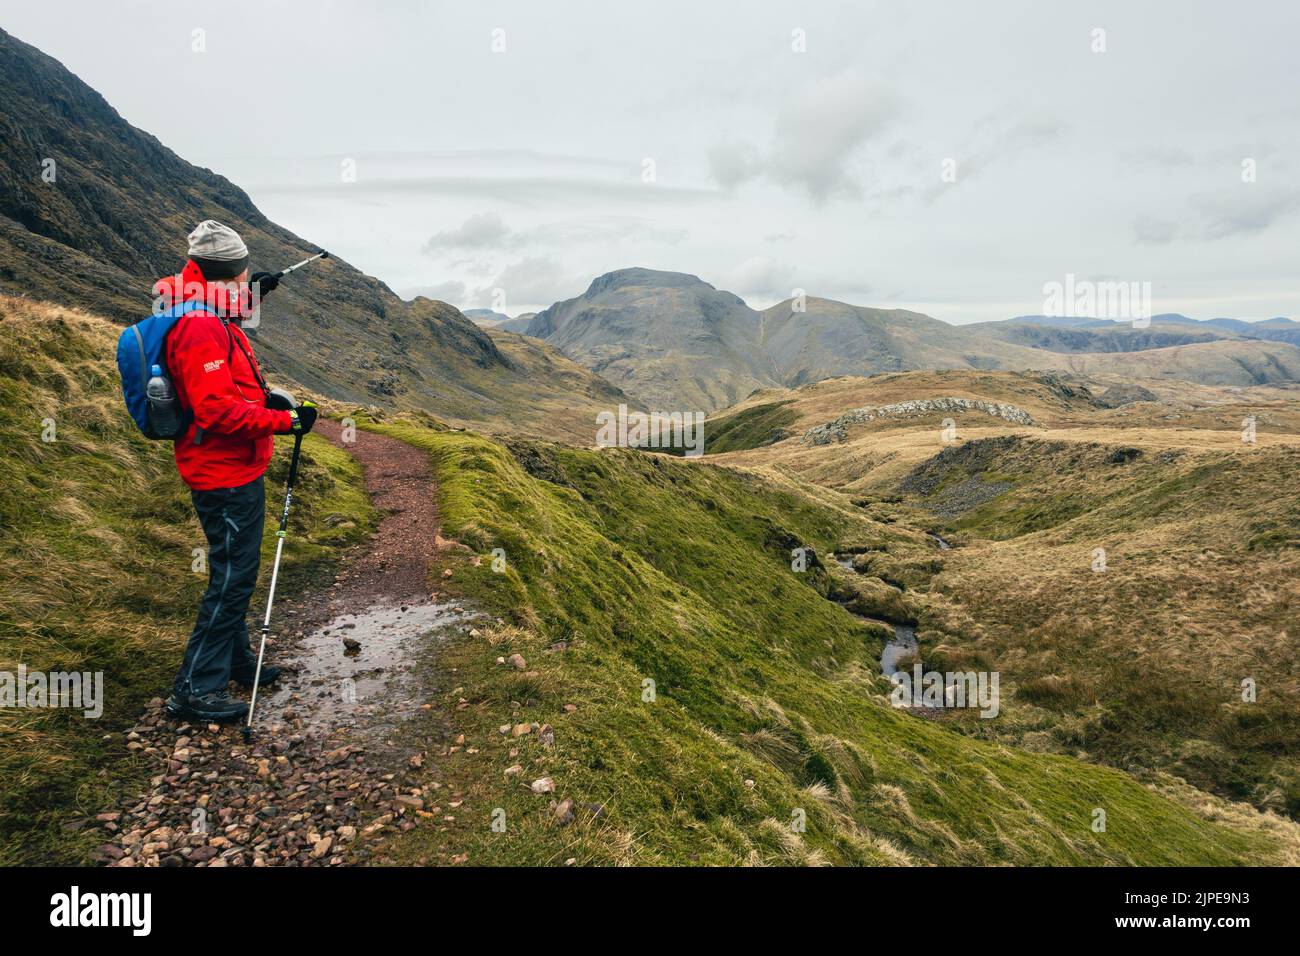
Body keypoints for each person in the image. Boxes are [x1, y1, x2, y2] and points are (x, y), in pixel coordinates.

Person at [158, 220, 317, 722]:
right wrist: (285, 420)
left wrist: (254, 298)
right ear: (228, 272)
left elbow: (228, 320)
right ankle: (194, 689)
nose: (247, 277)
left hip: (232, 467)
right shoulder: (199, 325)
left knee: (235, 571)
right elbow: (218, 413)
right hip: (221, 470)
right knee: (230, 578)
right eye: (243, 272)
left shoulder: (197, 303)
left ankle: (236, 660)